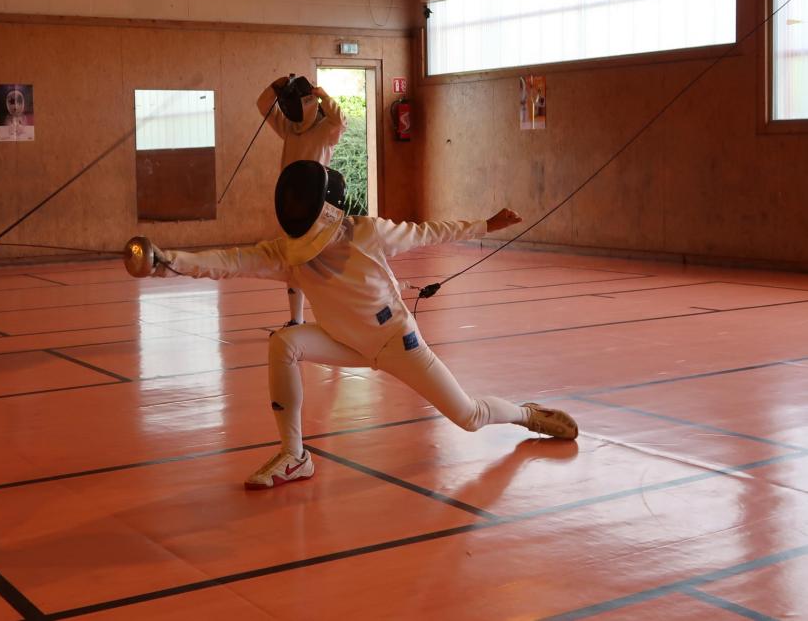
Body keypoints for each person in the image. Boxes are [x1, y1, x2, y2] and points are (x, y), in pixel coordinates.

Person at [126, 160, 578, 489]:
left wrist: (485, 223)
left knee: (470, 417)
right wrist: (168, 262)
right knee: (284, 343)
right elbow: (226, 261)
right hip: (343, 342)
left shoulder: (366, 232)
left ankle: (527, 414)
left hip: (398, 343)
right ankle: (295, 455)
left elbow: (428, 232)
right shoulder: (286, 255)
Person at [257, 75, 346, 328]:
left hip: (318, 204)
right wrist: (276, 86)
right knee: (295, 261)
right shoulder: (289, 128)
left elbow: (341, 120)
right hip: (292, 202)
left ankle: (335, 318)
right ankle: (296, 319)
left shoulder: (326, 130)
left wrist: (322, 95)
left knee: (321, 264)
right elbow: (263, 105)